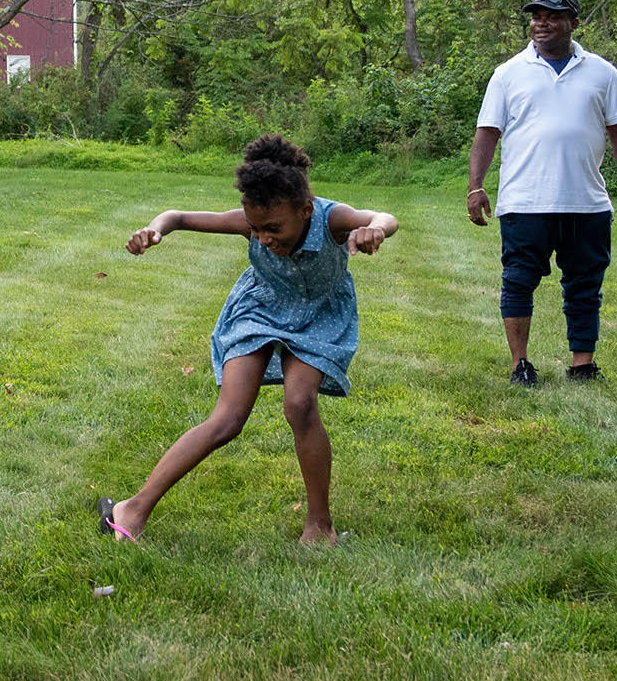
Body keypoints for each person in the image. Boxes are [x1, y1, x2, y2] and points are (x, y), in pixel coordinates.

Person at [98, 135, 398, 546]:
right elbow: (178, 215)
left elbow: (385, 215)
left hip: (318, 319)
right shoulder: (250, 223)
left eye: (273, 228)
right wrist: (154, 230)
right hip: (258, 310)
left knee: (300, 403)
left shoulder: (331, 219)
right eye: (254, 229)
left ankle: (319, 526)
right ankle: (131, 509)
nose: (263, 239)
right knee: (227, 420)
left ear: (304, 208)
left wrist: (373, 230)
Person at [468, 0, 617, 386]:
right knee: (518, 280)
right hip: (524, 201)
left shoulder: (602, 72)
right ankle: (520, 365)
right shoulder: (507, 73)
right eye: (535, 16)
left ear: (574, 22)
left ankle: (582, 364)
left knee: (585, 285)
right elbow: (487, 133)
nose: (541, 22)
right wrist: (475, 186)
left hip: (587, 202)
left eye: (551, 15)